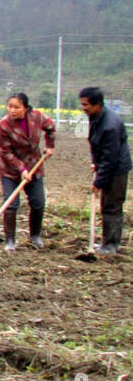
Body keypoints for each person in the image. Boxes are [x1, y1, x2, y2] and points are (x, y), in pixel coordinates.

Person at [0, 92, 56, 251]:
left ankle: (35, 236)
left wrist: (49, 146)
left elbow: (50, 128)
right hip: (10, 170)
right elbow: (5, 152)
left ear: (26, 108)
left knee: (38, 202)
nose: (12, 110)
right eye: (9, 107)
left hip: (34, 166)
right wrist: (21, 169)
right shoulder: (3, 125)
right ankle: (10, 241)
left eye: (16, 107)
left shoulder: (37, 117)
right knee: (11, 203)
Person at [79, 86, 131, 255]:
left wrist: (99, 181)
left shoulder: (110, 125)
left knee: (112, 206)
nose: (83, 108)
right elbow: (95, 144)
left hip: (116, 169)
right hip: (107, 165)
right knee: (106, 205)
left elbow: (111, 158)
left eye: (86, 104)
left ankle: (111, 245)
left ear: (97, 104)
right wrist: (96, 163)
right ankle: (107, 242)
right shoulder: (95, 117)